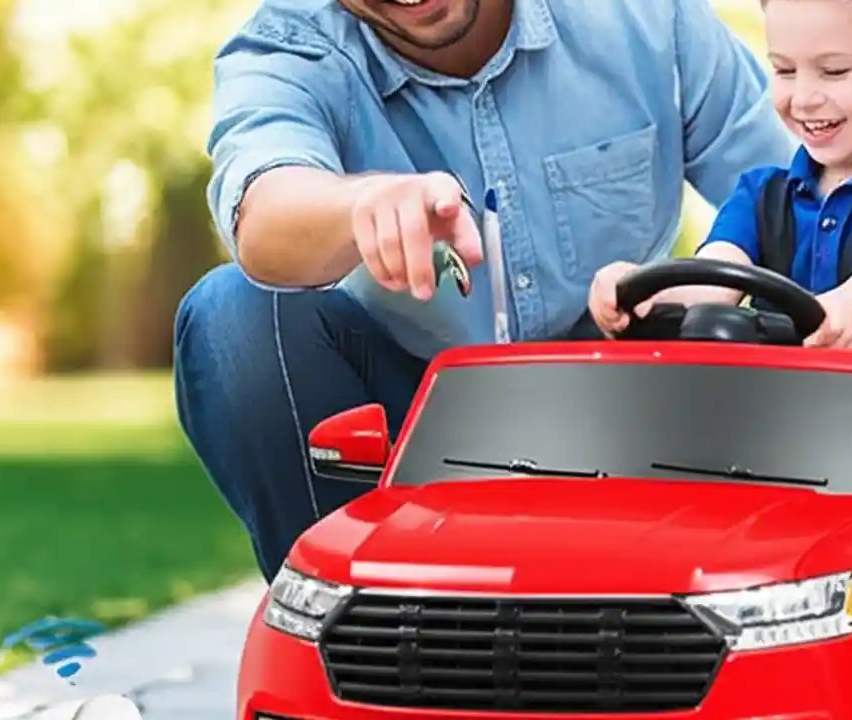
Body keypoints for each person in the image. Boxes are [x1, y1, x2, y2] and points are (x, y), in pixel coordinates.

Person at [174, 0, 796, 581]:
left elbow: (803, 188)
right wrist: (361, 203)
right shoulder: (291, 43)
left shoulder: (643, 16)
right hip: (413, 429)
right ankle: (359, 629)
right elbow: (264, 211)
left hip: (630, 406)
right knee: (232, 315)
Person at [589, 0, 852, 446]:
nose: (803, 98)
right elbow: (711, 280)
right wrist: (638, 289)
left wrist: (848, 308)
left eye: (834, 72)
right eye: (784, 71)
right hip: (777, 444)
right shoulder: (760, 194)